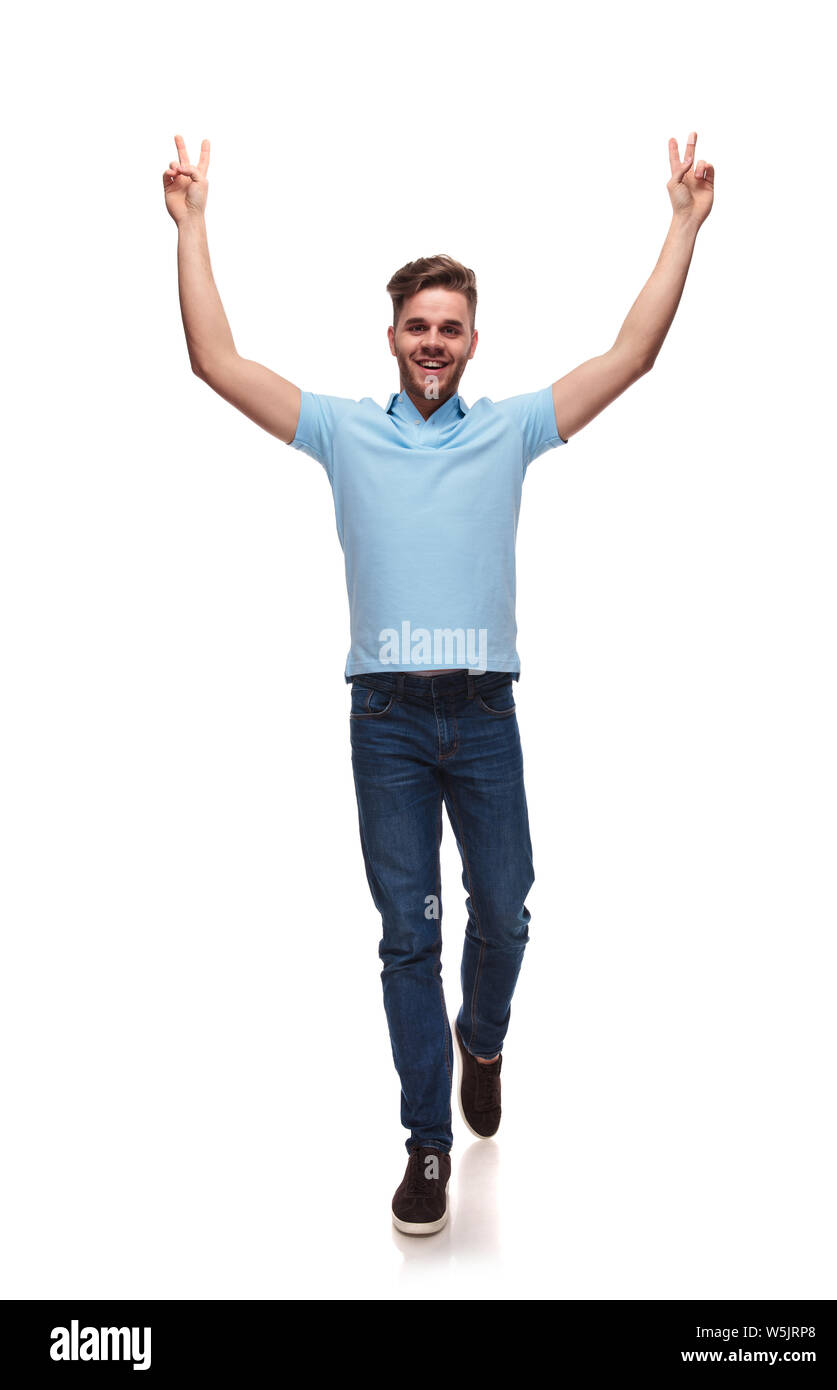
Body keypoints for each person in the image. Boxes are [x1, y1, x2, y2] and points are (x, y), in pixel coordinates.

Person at [163, 131, 715, 1236]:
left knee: (502, 910)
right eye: (416, 326)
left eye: (448, 328)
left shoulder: (509, 429)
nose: (431, 342)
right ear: (392, 336)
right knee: (408, 933)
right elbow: (218, 364)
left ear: (470, 341)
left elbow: (631, 354)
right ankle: (425, 1142)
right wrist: (192, 229)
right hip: (388, 725)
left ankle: (484, 1039)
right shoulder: (343, 432)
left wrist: (682, 225)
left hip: (483, 714)